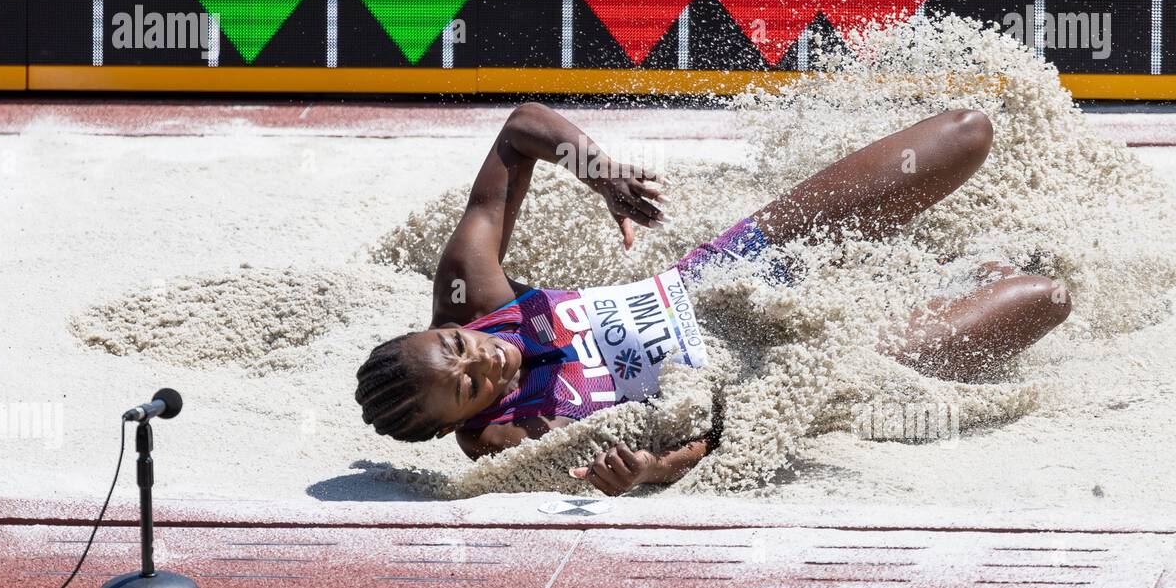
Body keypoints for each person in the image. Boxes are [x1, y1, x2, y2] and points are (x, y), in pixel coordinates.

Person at [355, 102, 1071, 496]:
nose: (486, 360)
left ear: (443, 327)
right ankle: (942, 282)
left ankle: (927, 263)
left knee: (967, 132)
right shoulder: (502, 439)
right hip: (763, 365)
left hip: (725, 270)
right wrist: (646, 473)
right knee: (1048, 296)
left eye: (457, 347)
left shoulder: (469, 289)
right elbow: (678, 449)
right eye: (473, 387)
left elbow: (519, 131)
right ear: (465, 423)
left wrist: (597, 170)